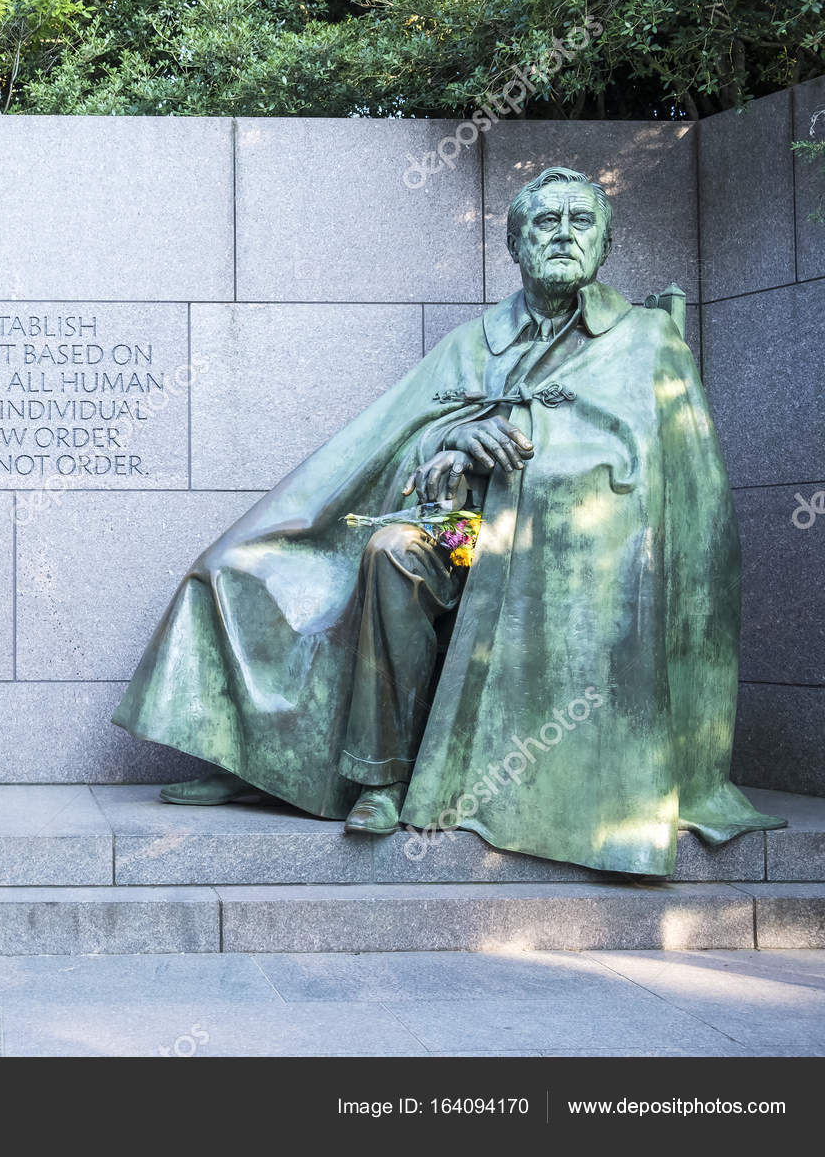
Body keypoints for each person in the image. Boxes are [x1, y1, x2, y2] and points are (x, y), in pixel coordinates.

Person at [113, 166, 783, 876]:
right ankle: (353, 773)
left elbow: (669, 485)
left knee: (393, 551)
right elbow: (400, 440)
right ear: (515, 246)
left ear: (606, 242)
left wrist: (528, 442)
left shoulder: (646, 340)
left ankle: (375, 775)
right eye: (543, 223)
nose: (562, 235)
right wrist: (454, 442)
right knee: (360, 551)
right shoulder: (474, 342)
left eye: (579, 222)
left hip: (565, 555)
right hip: (463, 535)